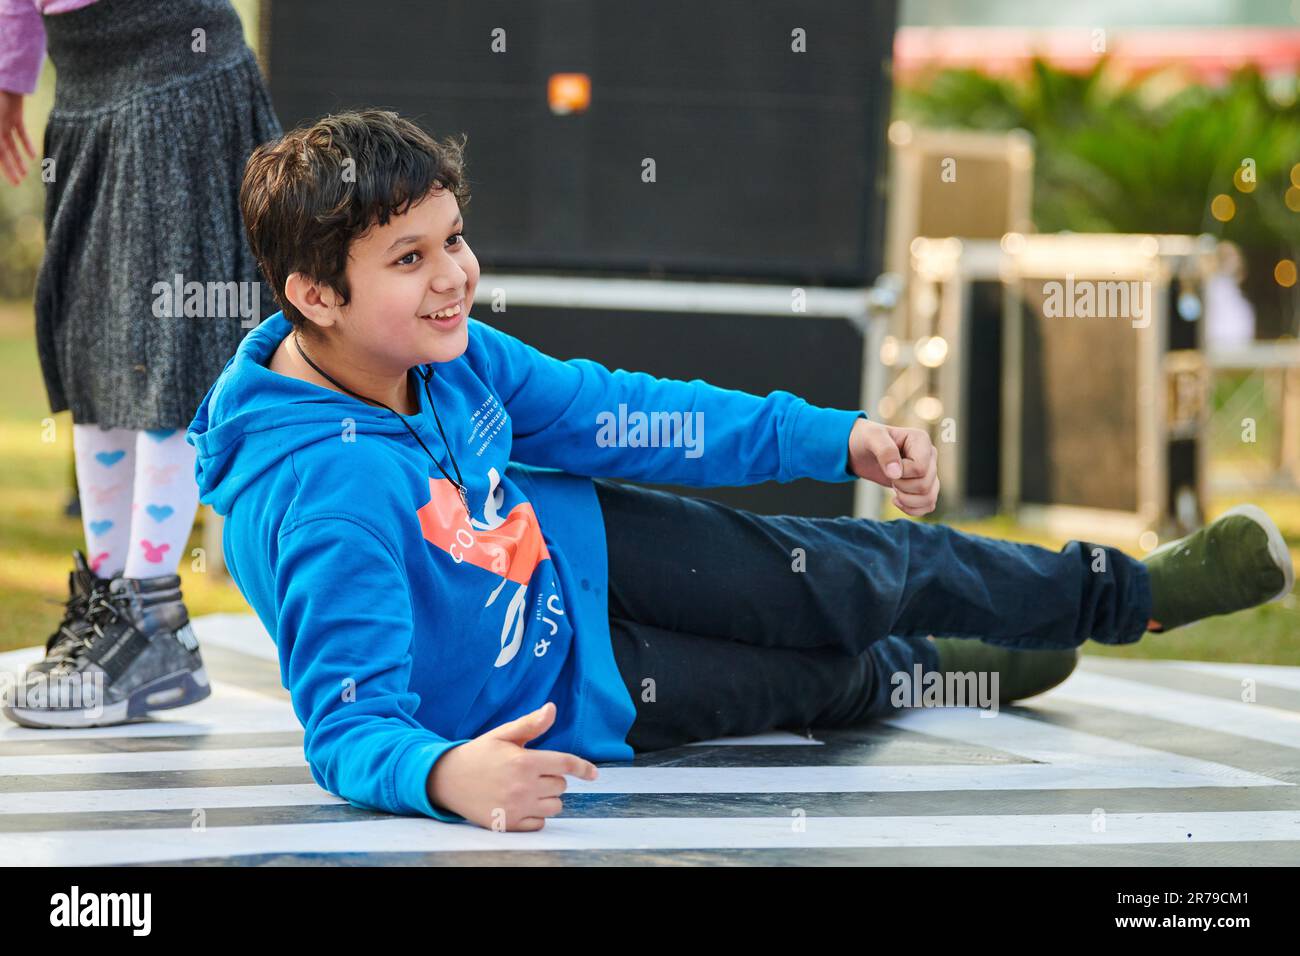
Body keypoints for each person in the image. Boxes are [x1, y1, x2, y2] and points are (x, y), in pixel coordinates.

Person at [18, 110, 1293, 832]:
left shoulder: (457, 358)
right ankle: (959, 662)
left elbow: (636, 416)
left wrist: (833, 437)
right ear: (314, 294)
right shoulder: (317, 499)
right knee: (829, 680)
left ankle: (1130, 592)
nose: (455, 275)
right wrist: (447, 772)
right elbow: (349, 723)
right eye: (408, 259)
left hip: (599, 546)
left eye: (453, 239)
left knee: (872, 566)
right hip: (594, 696)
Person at [0, 0, 282, 724]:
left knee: (167, 339)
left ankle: (152, 610)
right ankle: (110, 608)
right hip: (85, 79)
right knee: (93, 344)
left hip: (174, 66)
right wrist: (12, 74)